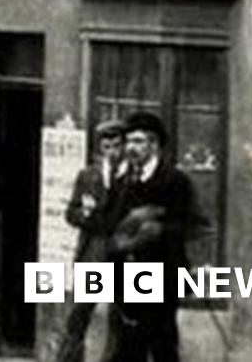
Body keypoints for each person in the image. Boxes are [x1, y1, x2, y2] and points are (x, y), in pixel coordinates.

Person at [103, 111, 195, 362]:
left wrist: (158, 230)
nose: (131, 148)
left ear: (154, 145)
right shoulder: (122, 181)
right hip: (126, 279)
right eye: (129, 141)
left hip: (162, 277)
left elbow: (188, 226)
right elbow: (110, 226)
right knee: (128, 349)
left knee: (162, 345)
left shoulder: (175, 181)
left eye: (138, 142)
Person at [55, 119, 124, 362]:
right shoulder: (88, 175)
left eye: (117, 146)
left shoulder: (133, 179)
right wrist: (86, 213)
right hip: (93, 252)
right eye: (107, 146)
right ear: (99, 149)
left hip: (124, 256)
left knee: (122, 319)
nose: (112, 152)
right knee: (79, 316)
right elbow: (71, 214)